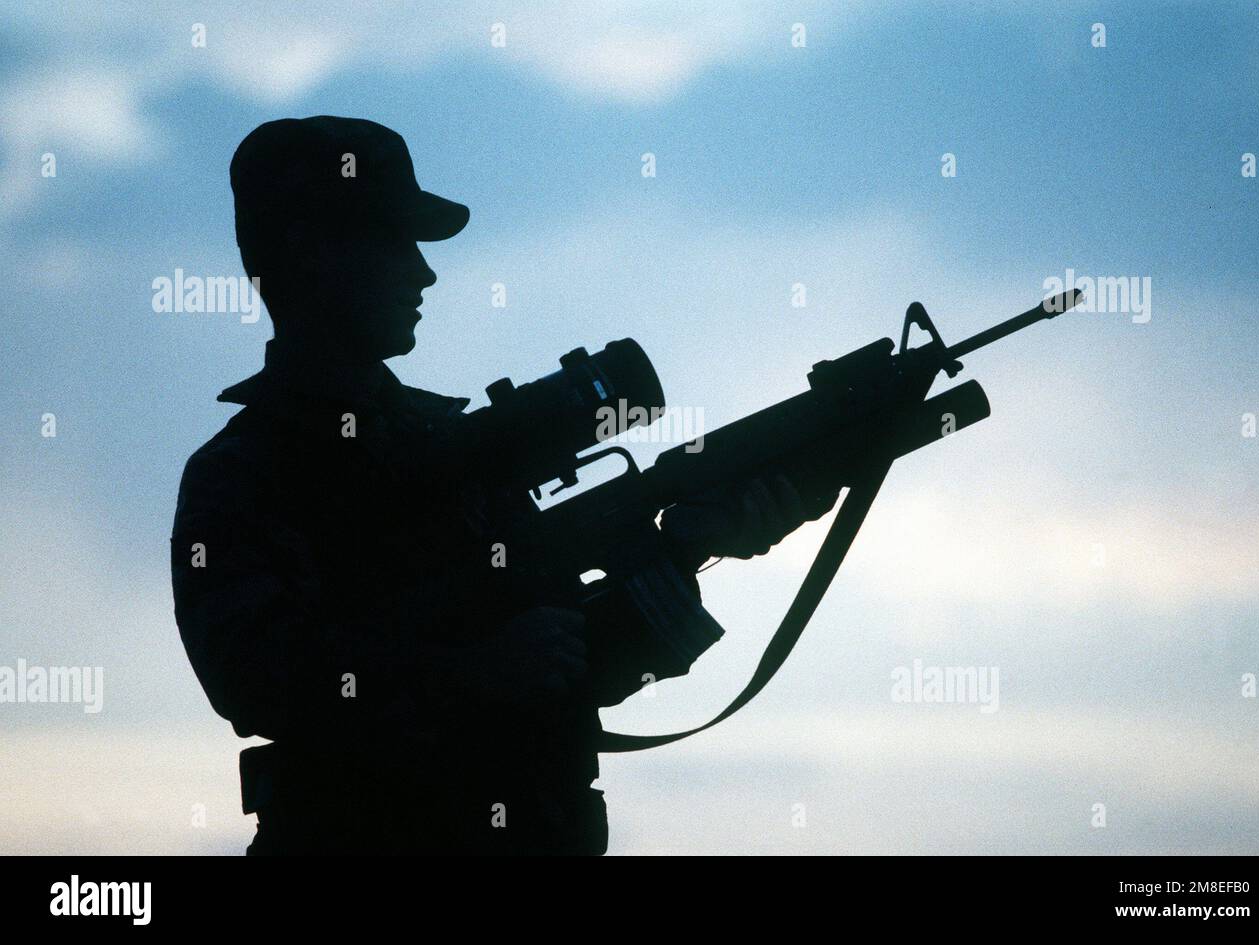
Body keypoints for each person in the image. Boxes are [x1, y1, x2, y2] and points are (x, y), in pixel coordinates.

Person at [170, 116, 833, 854]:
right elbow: (257, 680)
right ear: (309, 252)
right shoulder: (246, 473)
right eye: (394, 241)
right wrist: (468, 674)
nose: (423, 273)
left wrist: (687, 551)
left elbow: (569, 669)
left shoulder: (449, 447)